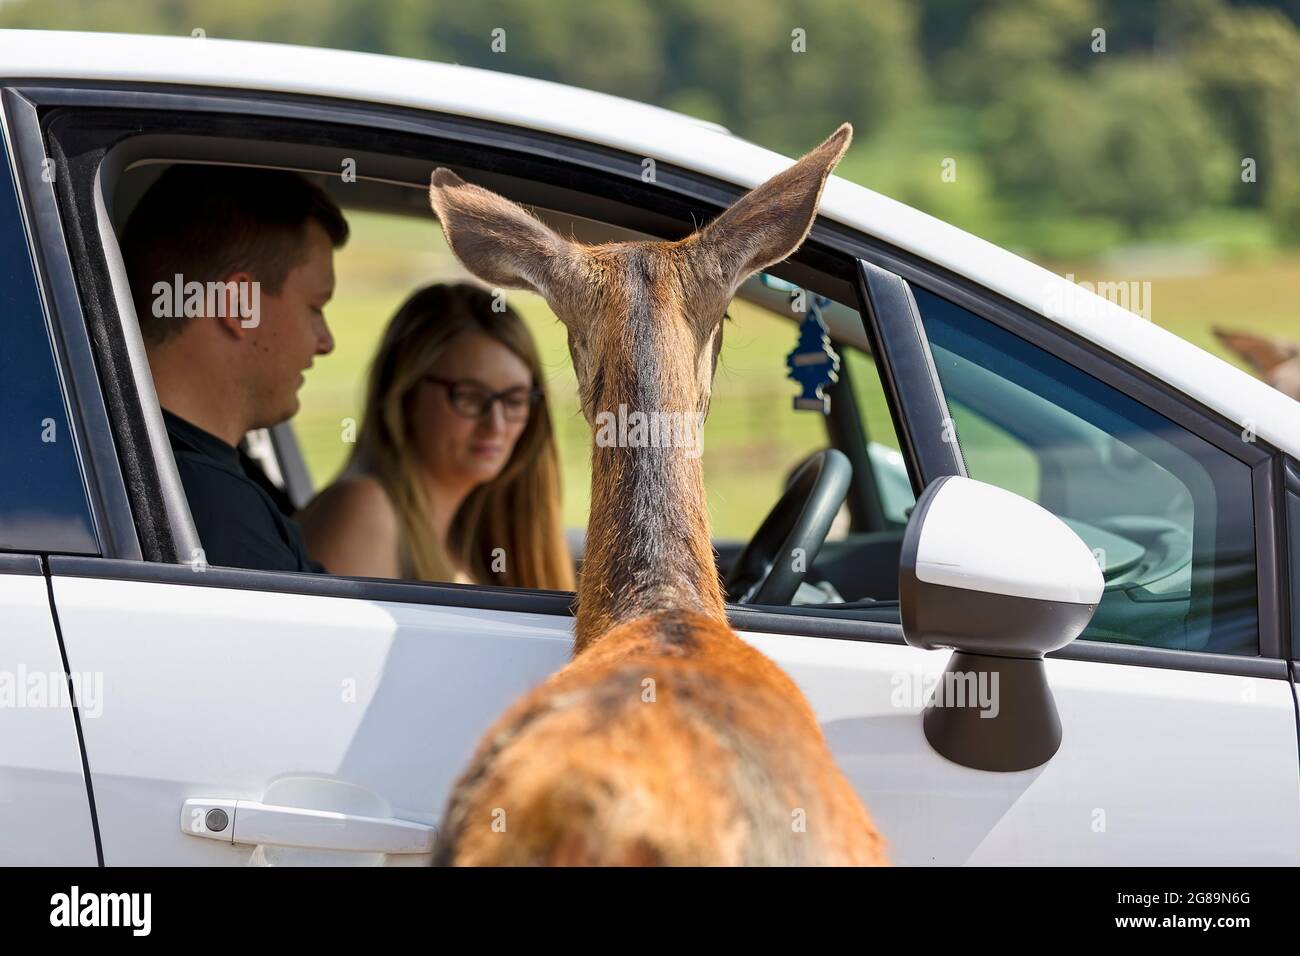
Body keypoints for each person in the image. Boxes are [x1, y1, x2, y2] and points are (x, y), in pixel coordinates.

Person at [120, 165, 349, 572]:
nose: (326, 341)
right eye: (315, 308)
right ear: (238, 304)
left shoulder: (188, 476)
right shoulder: (215, 507)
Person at [299, 283, 575, 590]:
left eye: (514, 400)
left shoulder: (469, 539)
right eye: (470, 397)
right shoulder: (364, 508)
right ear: (405, 396)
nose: (495, 424)